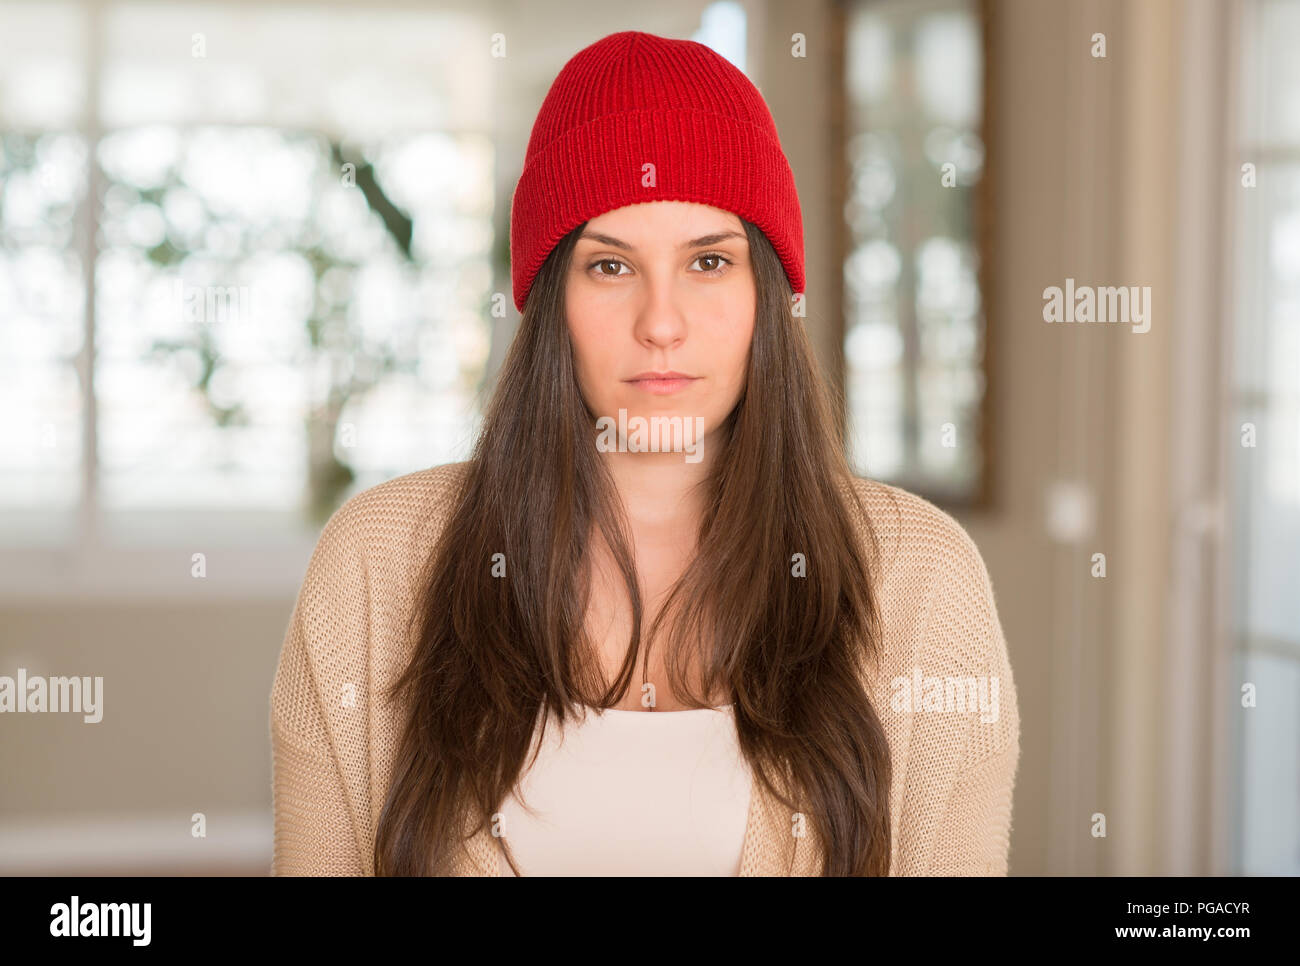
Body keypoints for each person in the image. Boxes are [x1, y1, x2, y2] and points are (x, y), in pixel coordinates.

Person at [270, 29, 1019, 877]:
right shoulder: (374, 564)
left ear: (766, 293)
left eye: (708, 260)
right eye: (611, 267)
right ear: (551, 299)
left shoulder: (922, 580)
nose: (661, 323)